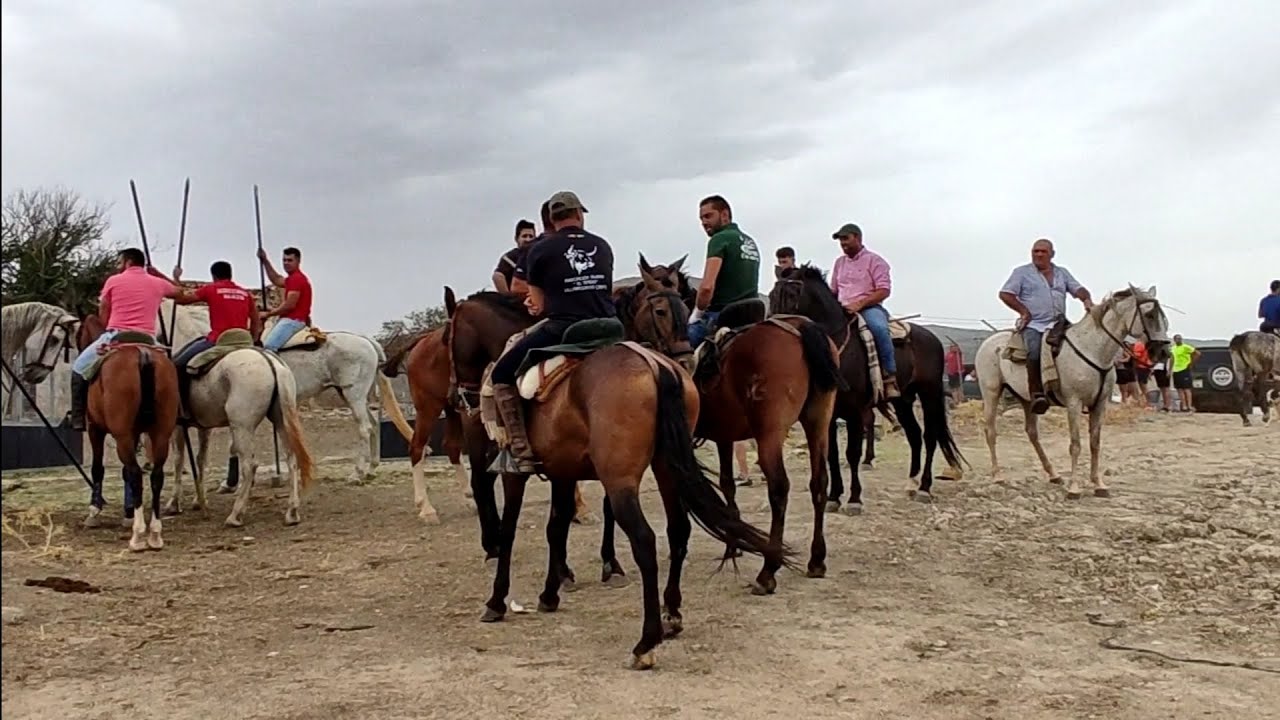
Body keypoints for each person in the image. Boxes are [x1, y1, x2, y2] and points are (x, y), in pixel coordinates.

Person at [488, 191, 615, 473]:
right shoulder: (603, 246)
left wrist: (537, 305)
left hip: (565, 330)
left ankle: (520, 450)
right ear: (579, 215)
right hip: (610, 328)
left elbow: (539, 304)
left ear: (551, 219)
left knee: (501, 374)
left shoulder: (539, 250)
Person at [67, 248, 179, 431]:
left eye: (120, 263)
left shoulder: (113, 281)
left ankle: (78, 417)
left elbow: (104, 311)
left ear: (127, 262)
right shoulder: (158, 283)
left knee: (78, 368)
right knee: (172, 370)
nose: (118, 267)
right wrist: (159, 275)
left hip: (116, 335)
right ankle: (178, 412)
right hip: (148, 339)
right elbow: (182, 294)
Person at [998, 238, 1094, 414]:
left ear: (1052, 254)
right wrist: (1024, 312)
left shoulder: (1062, 273)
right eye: (1036, 251)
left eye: (1043, 251)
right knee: (1034, 352)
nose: (1039, 254)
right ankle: (1037, 394)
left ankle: (1083, 391)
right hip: (1034, 324)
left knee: (1078, 348)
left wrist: (1086, 299)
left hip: (1059, 322)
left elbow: (1077, 288)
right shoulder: (1021, 273)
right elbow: (1005, 294)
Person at [152, 262, 262, 410]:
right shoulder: (245, 293)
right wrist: (254, 341)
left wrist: (168, 276)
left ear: (213, 276)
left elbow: (180, 298)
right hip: (244, 341)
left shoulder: (211, 289)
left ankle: (182, 408)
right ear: (231, 274)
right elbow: (256, 322)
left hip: (218, 340)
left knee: (176, 365)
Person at [830, 223, 900, 399]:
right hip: (842, 309)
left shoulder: (875, 261)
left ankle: (889, 377)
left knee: (879, 329)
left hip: (869, 308)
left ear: (857, 238)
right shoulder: (839, 263)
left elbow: (884, 290)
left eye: (846, 238)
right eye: (840, 240)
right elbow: (834, 290)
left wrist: (859, 305)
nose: (842, 243)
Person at [688, 195, 761, 348]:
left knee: (682, 343)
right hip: (753, 314)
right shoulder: (750, 241)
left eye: (708, 216)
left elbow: (707, 287)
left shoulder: (719, 239)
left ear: (724, 215)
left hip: (724, 315)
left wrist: (696, 314)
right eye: (701, 219)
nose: (704, 222)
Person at [256, 245, 314, 352]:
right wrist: (265, 260)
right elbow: (276, 279)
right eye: (284, 260)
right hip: (291, 319)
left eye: (290, 260)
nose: (286, 263)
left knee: (269, 346)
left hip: (292, 320)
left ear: (298, 261)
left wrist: (268, 314)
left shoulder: (296, 279)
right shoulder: (292, 279)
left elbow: (289, 305)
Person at [493, 219, 537, 294]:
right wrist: (508, 299)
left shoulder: (538, 255)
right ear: (516, 239)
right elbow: (497, 276)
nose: (528, 239)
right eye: (524, 236)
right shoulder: (510, 258)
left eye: (531, 236)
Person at [1169, 334, 1200, 412]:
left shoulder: (1186, 347)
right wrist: (1170, 370)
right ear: (1174, 340)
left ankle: (1189, 405)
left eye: (1179, 338)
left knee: (1186, 388)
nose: (1178, 340)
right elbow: (1172, 359)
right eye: (1176, 339)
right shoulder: (1173, 348)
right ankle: (1184, 406)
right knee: (1179, 389)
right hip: (1176, 369)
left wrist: (1191, 363)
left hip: (1184, 369)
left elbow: (1197, 353)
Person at [945, 341, 965, 405]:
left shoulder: (958, 353)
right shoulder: (948, 354)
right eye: (952, 347)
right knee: (953, 387)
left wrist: (957, 346)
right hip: (951, 373)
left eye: (954, 347)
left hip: (958, 372)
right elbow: (945, 361)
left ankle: (961, 399)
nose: (953, 348)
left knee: (959, 386)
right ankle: (956, 400)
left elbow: (960, 351)